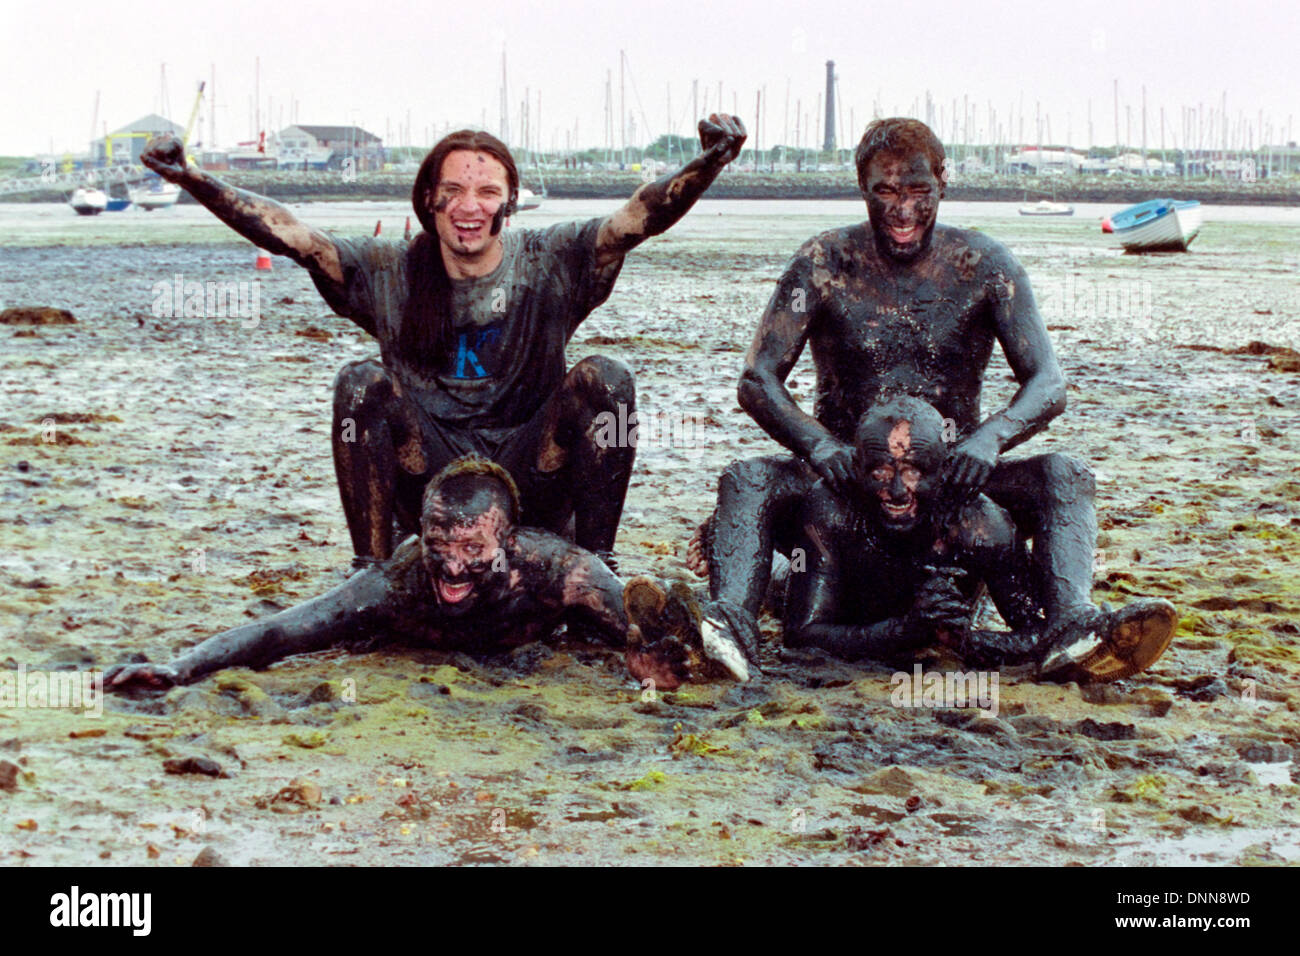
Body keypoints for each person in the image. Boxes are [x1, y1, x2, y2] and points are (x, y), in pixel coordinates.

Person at [139, 115, 747, 569]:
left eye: (486, 192)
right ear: (428, 199)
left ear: (508, 201)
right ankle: (370, 574)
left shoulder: (550, 259)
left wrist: (709, 162)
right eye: (453, 190)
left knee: (605, 379)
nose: (469, 206)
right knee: (360, 385)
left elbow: (635, 219)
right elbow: (293, 237)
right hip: (429, 477)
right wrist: (193, 178)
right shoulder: (387, 268)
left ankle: (595, 565)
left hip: (530, 473)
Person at [690, 116, 1176, 676]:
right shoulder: (823, 264)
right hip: (849, 475)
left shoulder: (985, 265)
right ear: (863, 188)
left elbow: (1049, 382)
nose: (902, 210)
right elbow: (757, 380)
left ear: (943, 182)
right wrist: (822, 448)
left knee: (1065, 474)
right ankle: (729, 627)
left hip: (951, 477)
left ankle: (1072, 628)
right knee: (748, 479)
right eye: (887, 192)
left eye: (918, 191)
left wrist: (991, 438)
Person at [106, 457, 627, 691]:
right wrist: (182, 668)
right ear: (420, 534)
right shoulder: (393, 587)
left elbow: (657, 628)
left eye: (473, 548)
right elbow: (283, 631)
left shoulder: (564, 572)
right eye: (438, 544)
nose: (451, 565)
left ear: (508, 543)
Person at [780, 395, 1175, 681]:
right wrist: (902, 631)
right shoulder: (830, 509)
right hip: (831, 598)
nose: (897, 491)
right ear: (857, 468)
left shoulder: (981, 527)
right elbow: (801, 635)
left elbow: (1040, 631)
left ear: (944, 471)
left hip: (935, 609)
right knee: (779, 576)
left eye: (915, 472)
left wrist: (968, 642)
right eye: (881, 474)